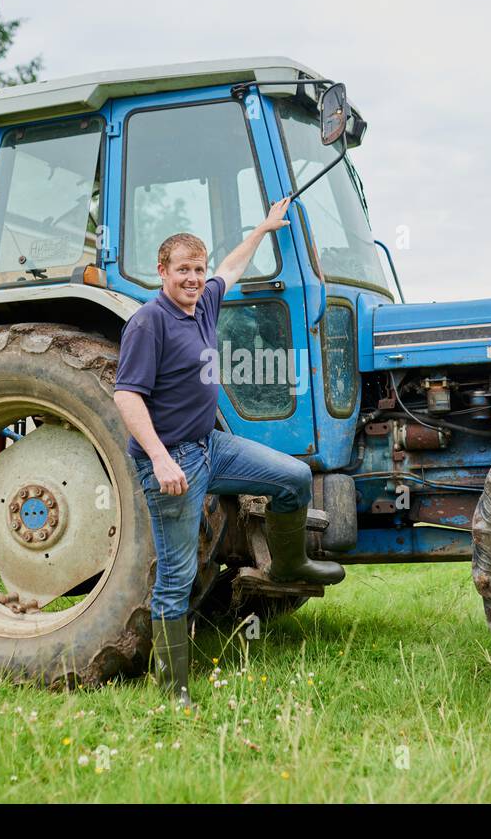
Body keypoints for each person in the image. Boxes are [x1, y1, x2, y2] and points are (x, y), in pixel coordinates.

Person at [113, 197, 345, 707]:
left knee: (293, 478)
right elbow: (126, 395)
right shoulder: (149, 322)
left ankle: (288, 568)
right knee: (175, 578)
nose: (194, 278)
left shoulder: (203, 305)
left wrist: (262, 228)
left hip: (210, 446)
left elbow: (230, 267)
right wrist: (160, 458)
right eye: (183, 271)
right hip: (174, 460)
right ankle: (173, 691)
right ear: (162, 272)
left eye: (197, 269)